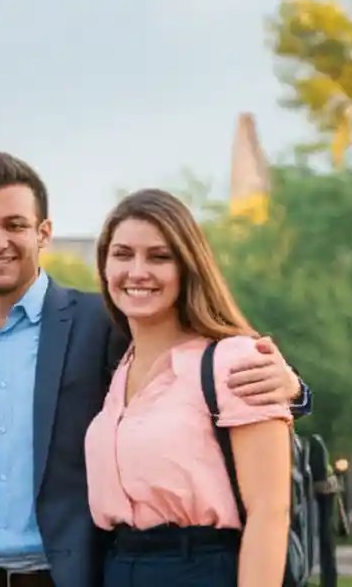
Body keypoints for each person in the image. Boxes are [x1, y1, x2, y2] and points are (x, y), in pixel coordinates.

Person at [0, 152, 311, 587]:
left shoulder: (102, 326)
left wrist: (294, 390)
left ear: (43, 232)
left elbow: (203, 361)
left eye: (14, 225)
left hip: (85, 575)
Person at [84, 188, 293, 586]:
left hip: (200, 569)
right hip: (120, 566)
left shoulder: (235, 359)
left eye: (159, 256)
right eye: (123, 254)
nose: (137, 271)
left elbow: (270, 511)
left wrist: (296, 390)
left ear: (188, 267)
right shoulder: (119, 369)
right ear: (105, 265)